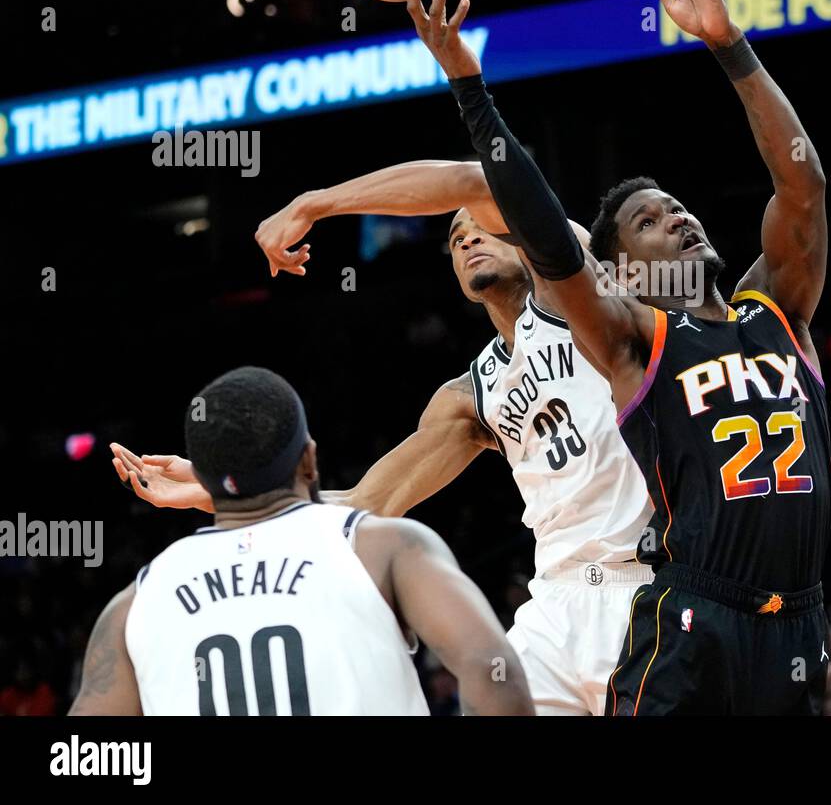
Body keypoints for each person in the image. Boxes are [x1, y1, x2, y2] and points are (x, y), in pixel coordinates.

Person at [408, 0, 831, 715]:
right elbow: (544, 235)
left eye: (675, 205)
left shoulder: (778, 309)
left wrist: (728, 45)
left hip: (799, 625)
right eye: (649, 219)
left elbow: (802, 188)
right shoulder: (639, 339)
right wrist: (470, 89)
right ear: (623, 272)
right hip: (692, 619)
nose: (676, 215)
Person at [113, 159, 655, 716]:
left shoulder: (578, 293)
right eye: (455, 237)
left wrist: (314, 202)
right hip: (556, 603)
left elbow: (480, 178)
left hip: (648, 583)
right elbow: (365, 505)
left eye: (482, 227)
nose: (467, 237)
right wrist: (222, 491)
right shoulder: (469, 397)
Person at [75, 367, 532, 715]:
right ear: (309, 460)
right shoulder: (381, 547)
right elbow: (493, 668)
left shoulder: (137, 599)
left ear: (207, 479)